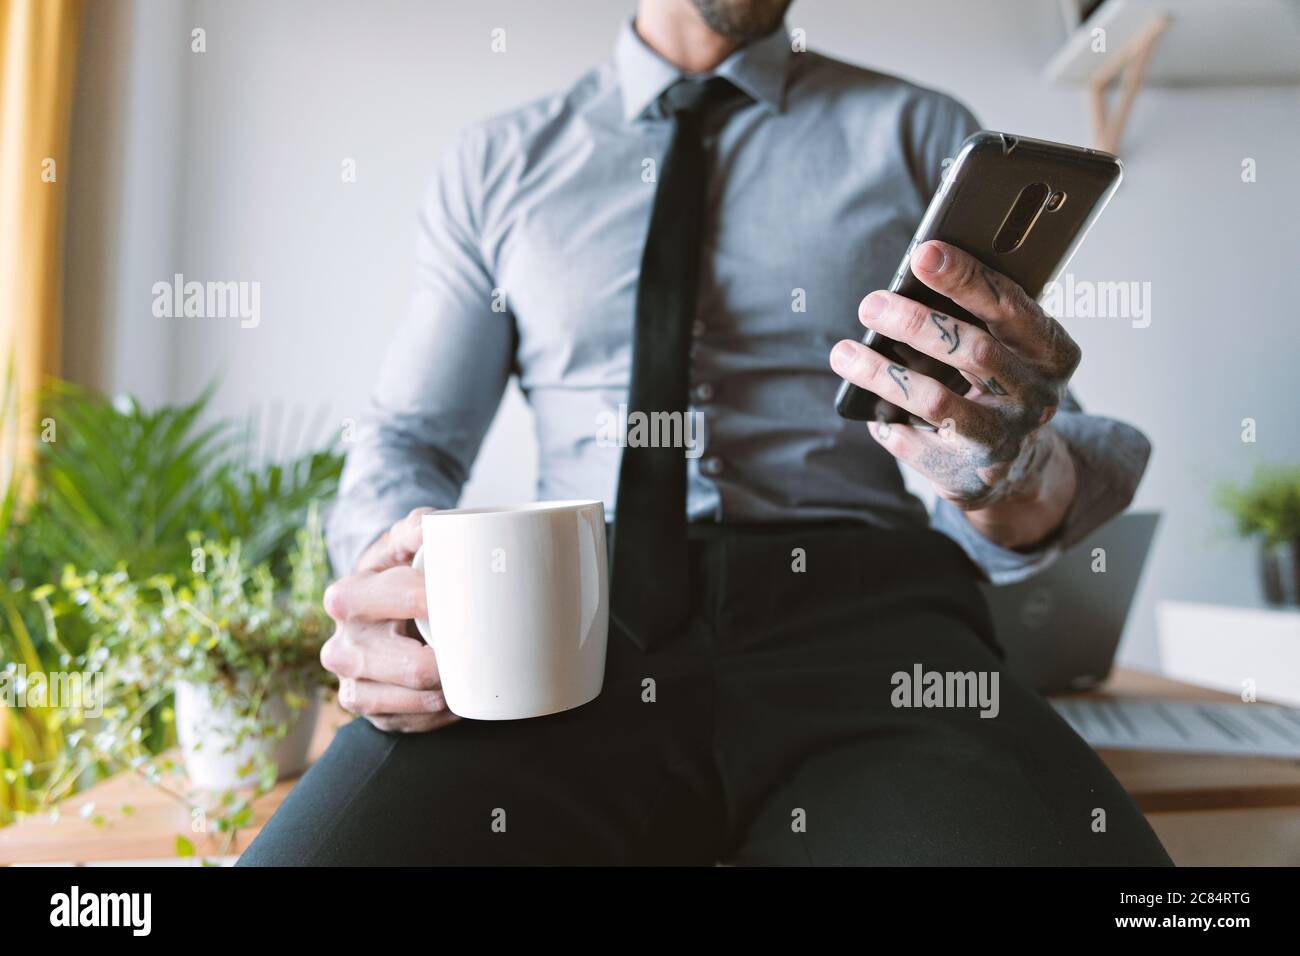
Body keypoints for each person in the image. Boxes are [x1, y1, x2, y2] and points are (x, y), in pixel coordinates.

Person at [240, 0, 1171, 866]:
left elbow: (1042, 455)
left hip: (872, 627)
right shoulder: (498, 161)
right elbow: (411, 436)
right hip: (563, 631)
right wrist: (395, 597)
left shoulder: (918, 133)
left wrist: (1001, 467)